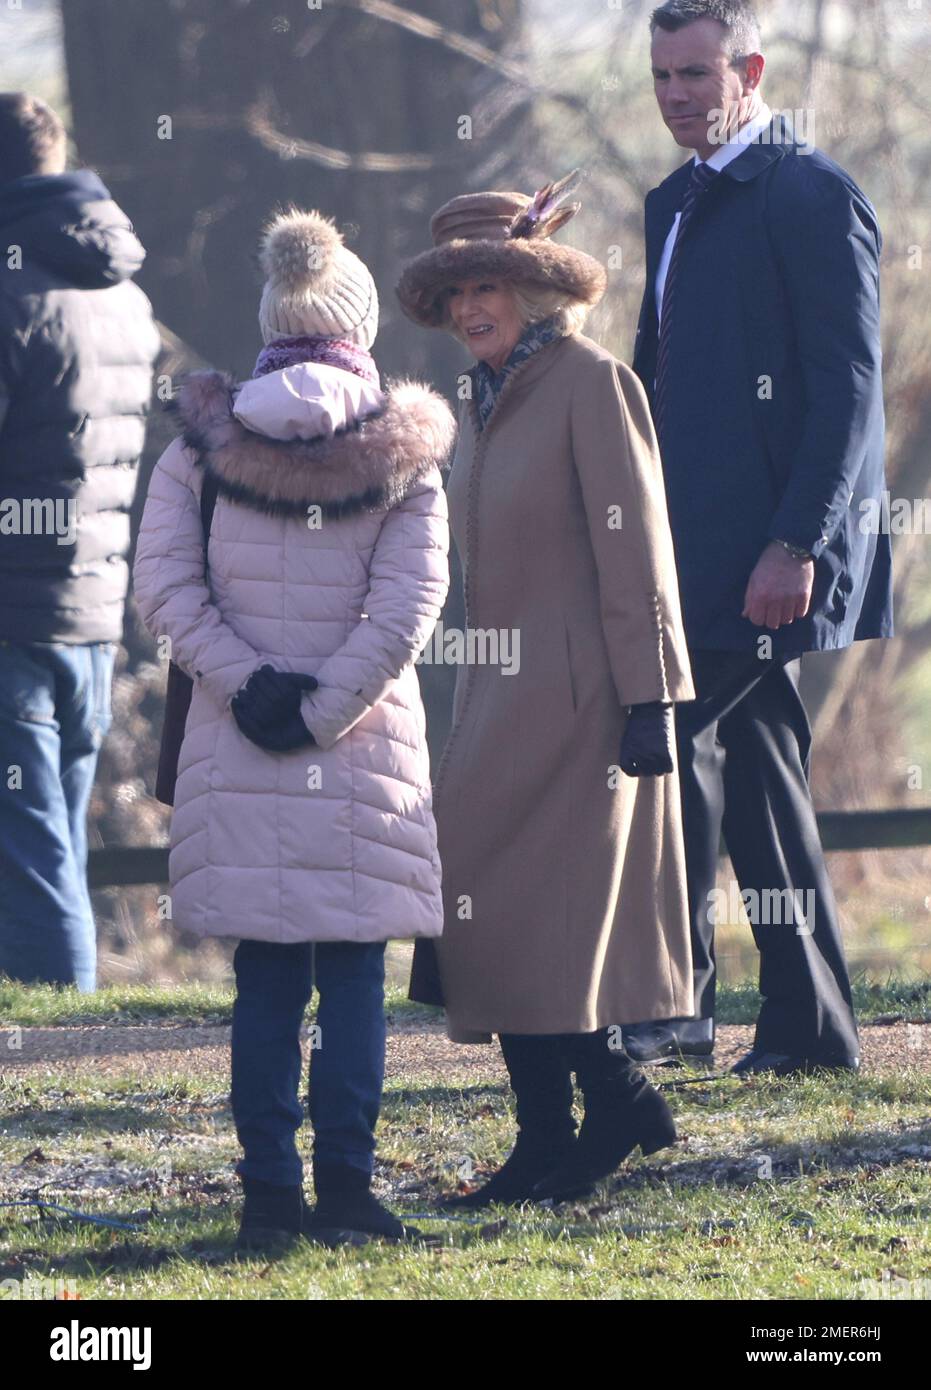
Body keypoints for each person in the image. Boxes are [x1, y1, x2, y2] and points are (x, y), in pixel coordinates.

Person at [133, 208, 453, 1250]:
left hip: (240, 739)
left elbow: (164, 588)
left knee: (268, 975)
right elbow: (408, 609)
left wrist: (250, 689)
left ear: (272, 317)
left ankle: (268, 1198)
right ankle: (351, 1191)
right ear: (360, 325)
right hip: (362, 752)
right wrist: (325, 708)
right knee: (354, 972)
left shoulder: (201, 441)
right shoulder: (405, 453)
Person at [395, 175, 697, 1206]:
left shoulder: (589, 381)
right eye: (458, 294)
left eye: (492, 286)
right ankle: (595, 1108)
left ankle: (577, 1123)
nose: (472, 308)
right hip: (493, 698)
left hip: (585, 703)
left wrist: (652, 695)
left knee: (546, 923)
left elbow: (640, 551)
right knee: (487, 915)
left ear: (534, 291)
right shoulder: (477, 404)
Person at [624, 0, 892, 1073]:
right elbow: (652, 380)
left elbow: (849, 394)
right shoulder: (670, 203)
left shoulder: (810, 192)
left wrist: (797, 544)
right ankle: (811, 1024)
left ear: (750, 67)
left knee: (673, 739)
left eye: (696, 72)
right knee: (758, 759)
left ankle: (677, 1005)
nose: (677, 94)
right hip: (690, 554)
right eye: (661, 77)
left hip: (777, 557)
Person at [0, 93, 160, 992]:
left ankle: (44, 1057)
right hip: (90, 612)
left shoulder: (9, 288)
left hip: (12, 612)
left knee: (29, 857)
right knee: (53, 828)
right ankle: (61, 1038)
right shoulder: (123, 295)